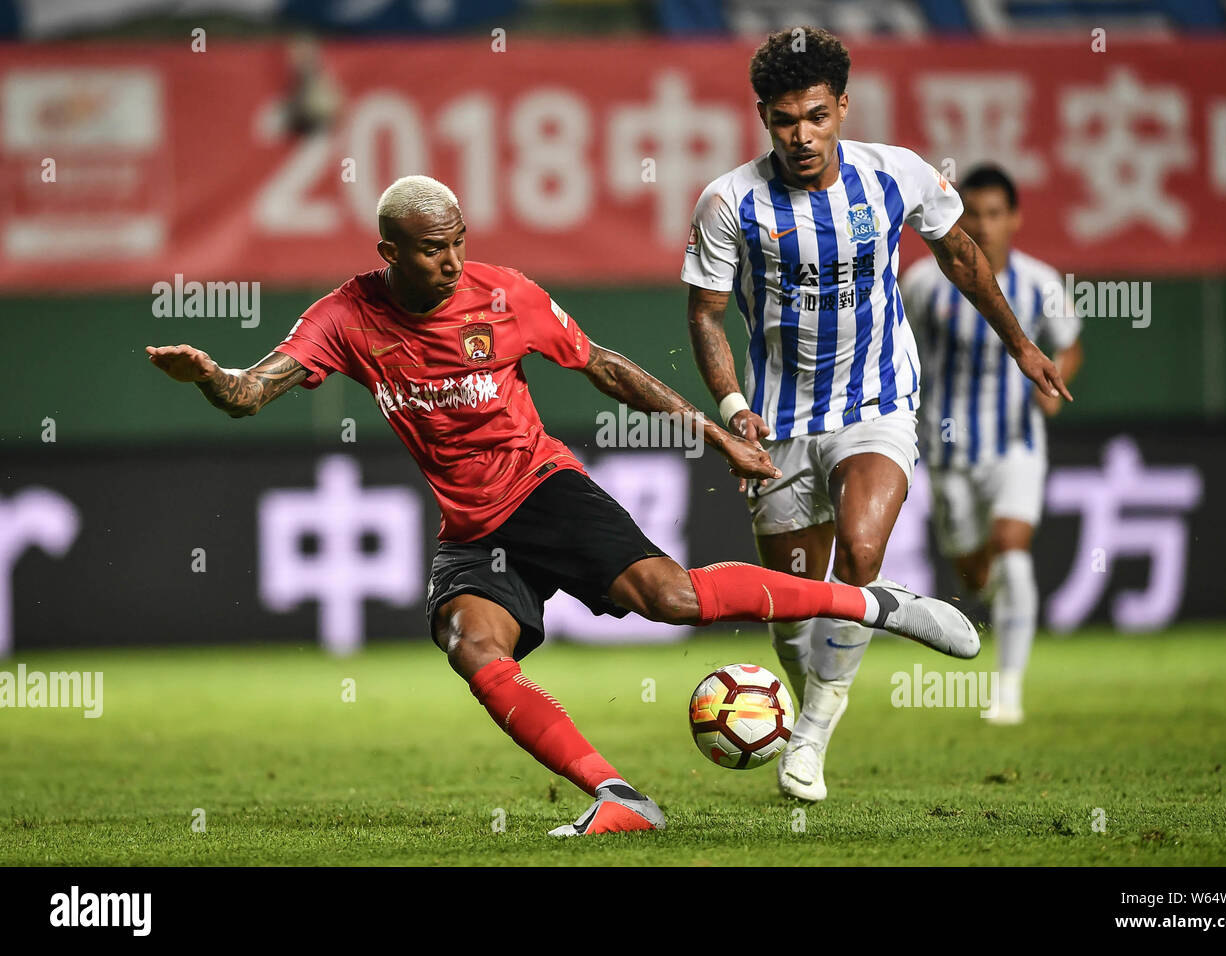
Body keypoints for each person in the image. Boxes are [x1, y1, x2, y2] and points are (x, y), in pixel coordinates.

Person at [147, 175, 979, 836]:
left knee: (674, 599)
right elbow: (251, 394)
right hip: (470, 528)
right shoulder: (346, 316)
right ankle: (621, 797)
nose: (451, 261)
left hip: (542, 489)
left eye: (459, 243)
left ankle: (874, 602)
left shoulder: (504, 294)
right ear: (389, 251)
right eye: (434, 250)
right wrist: (211, 378)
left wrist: (714, 433)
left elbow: (607, 368)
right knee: (472, 648)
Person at [682, 28, 1070, 801]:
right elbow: (706, 314)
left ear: (843, 108)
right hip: (781, 421)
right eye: (786, 120)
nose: (802, 135)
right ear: (763, 117)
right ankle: (857, 643)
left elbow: (960, 253)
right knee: (793, 610)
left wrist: (1022, 345)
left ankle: (812, 742)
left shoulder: (896, 175)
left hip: (878, 403)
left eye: (817, 116)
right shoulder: (730, 201)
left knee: (859, 551)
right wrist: (732, 407)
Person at [902, 164, 1083, 725]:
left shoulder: (1041, 283)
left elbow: (1068, 343)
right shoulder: (923, 284)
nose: (982, 225)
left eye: (994, 214)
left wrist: (1055, 386)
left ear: (1015, 219)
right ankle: (1002, 606)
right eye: (972, 214)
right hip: (947, 449)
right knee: (975, 576)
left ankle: (1008, 692)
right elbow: (897, 344)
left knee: (1012, 549)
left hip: (1015, 442)